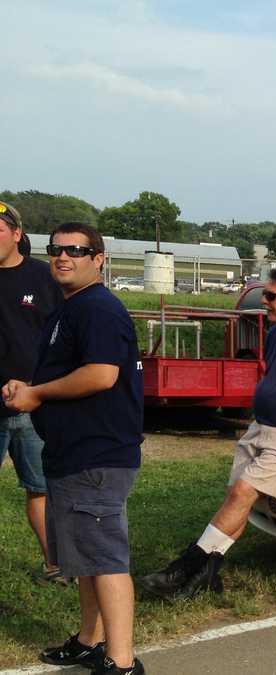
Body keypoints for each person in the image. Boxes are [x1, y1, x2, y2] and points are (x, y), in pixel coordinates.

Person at [141, 267, 276, 601]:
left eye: (271, 295)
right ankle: (207, 574)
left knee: (242, 492)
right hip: (262, 428)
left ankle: (185, 566)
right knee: (236, 500)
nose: (263, 301)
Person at [3, 222, 145, 674]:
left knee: (105, 558)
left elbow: (102, 374)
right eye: (56, 250)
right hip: (71, 453)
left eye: (76, 251)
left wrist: (38, 394)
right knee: (85, 557)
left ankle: (121, 661)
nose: (63, 257)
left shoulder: (98, 308)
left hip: (96, 454)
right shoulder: (70, 307)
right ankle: (89, 640)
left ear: (98, 259)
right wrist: (28, 386)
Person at [0, 202, 66, 585]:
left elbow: (64, 335)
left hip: (34, 404)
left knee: (40, 489)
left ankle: (55, 565)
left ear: (16, 234)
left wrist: (41, 387)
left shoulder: (42, 278)